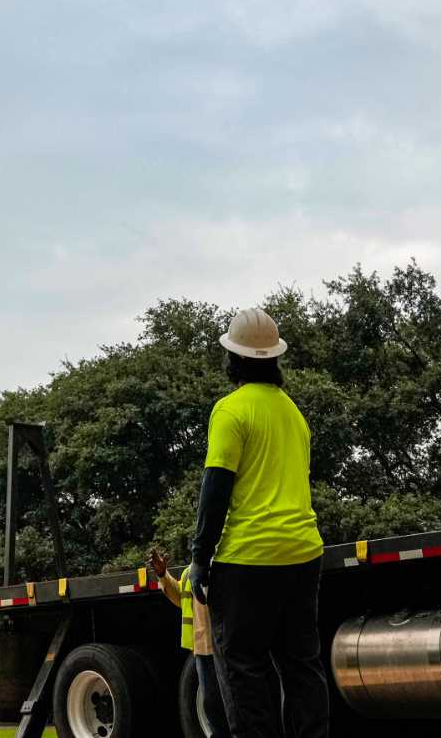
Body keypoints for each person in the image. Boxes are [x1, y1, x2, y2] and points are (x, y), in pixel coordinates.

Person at [190, 306, 327, 738]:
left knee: (245, 670)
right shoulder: (294, 413)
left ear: (233, 358)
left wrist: (199, 556)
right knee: (302, 667)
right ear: (274, 358)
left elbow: (216, 489)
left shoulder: (231, 410)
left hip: (248, 560)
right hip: (303, 554)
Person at [152, 548, 229, 736]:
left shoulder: (228, 567)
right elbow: (180, 596)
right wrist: (163, 574)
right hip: (202, 650)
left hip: (227, 649)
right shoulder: (191, 571)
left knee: (234, 707)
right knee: (212, 706)